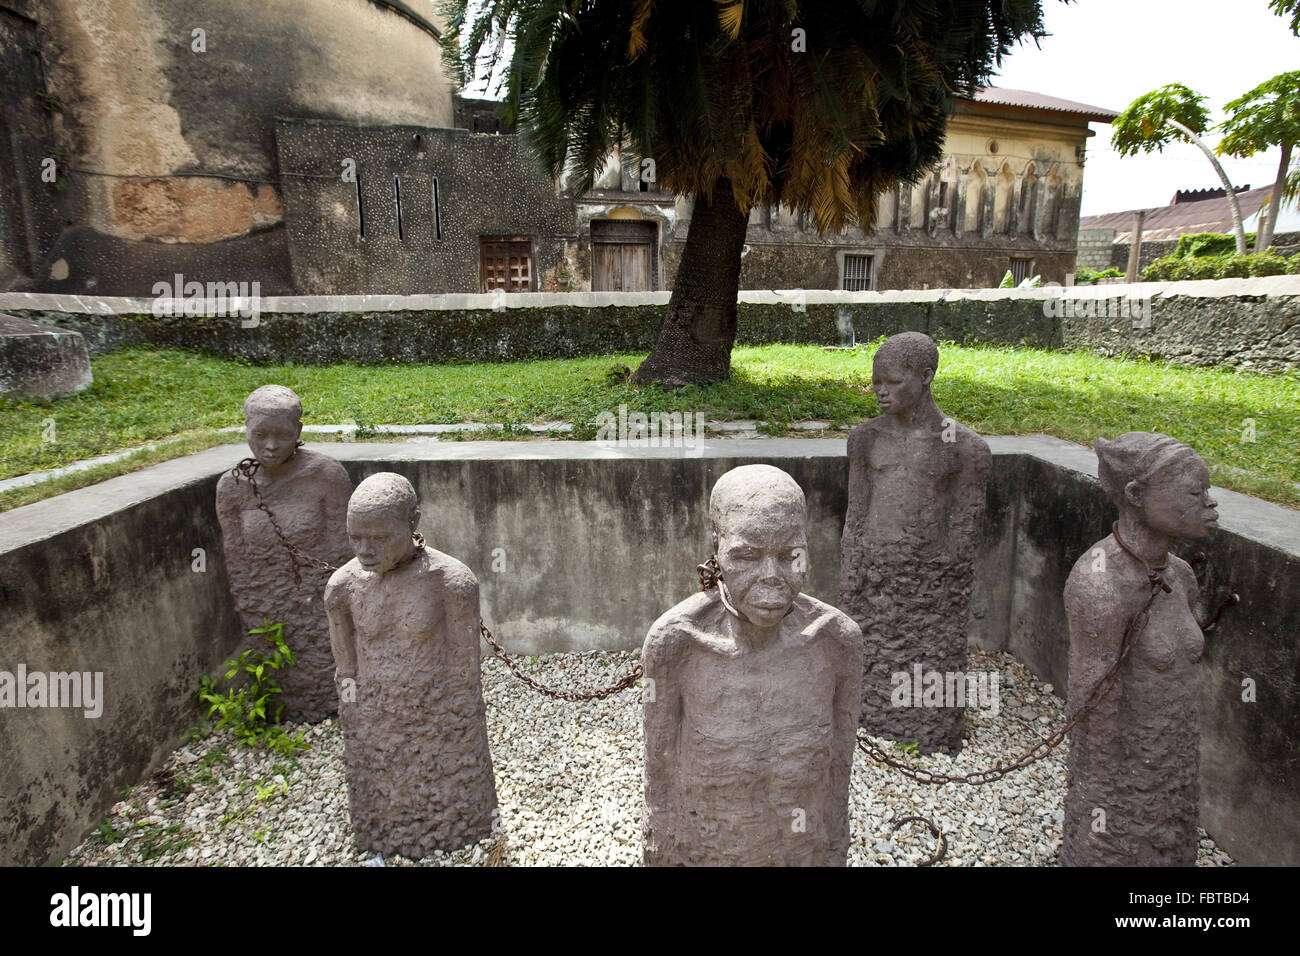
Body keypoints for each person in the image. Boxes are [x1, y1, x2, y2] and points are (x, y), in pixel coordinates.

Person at [642, 465, 862, 866]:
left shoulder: (836, 642)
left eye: (789, 555)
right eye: (745, 556)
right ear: (718, 550)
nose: (771, 577)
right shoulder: (677, 643)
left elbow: (836, 782)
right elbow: (661, 789)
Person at [1061, 433, 1218, 866]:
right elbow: (1091, 700)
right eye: (1193, 493)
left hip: (1176, 763)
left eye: (1206, 491)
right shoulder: (1099, 584)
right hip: (1126, 777)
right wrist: (1103, 791)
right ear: (1135, 495)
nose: (1210, 504)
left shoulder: (1181, 575)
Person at [325, 472, 497, 858]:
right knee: (383, 786)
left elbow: (463, 671)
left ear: (412, 522)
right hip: (377, 718)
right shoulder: (342, 588)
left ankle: (459, 829)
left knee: (444, 788)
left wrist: (455, 721)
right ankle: (381, 833)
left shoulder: (450, 582)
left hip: (432, 715)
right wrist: (355, 716)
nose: (365, 550)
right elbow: (346, 669)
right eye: (356, 537)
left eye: (380, 537)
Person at [839, 332, 990, 752]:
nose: (881, 393)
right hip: (875, 582)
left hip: (929, 593)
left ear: (926, 377)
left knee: (928, 670)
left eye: (892, 382)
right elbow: (856, 517)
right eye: (875, 383)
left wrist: (933, 591)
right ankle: (866, 717)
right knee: (873, 666)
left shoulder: (964, 449)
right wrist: (853, 581)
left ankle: (929, 729)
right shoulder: (865, 440)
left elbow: (964, 533)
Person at [215, 385, 352, 722]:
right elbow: (238, 564)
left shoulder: (326, 476)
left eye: (282, 434)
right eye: (260, 434)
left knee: (325, 662)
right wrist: (255, 607)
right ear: (246, 429)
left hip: (318, 600)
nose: (271, 446)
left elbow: (344, 553)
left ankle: (335, 702)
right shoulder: (233, 488)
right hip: (264, 604)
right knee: (276, 664)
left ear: (299, 432)